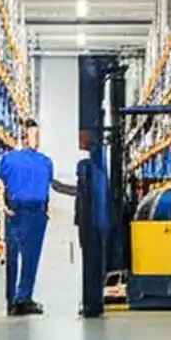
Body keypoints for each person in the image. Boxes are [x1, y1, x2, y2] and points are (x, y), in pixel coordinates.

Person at [0, 118, 53, 316]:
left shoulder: (45, 162)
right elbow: (0, 185)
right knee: (17, 256)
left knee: (28, 257)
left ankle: (21, 299)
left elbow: (47, 190)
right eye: (32, 134)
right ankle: (15, 299)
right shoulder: (9, 159)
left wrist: (46, 210)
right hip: (19, 210)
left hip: (33, 212)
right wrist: (3, 206)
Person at [74, 129, 109, 318]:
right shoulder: (97, 171)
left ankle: (92, 304)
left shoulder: (94, 171)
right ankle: (92, 302)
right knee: (93, 264)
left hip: (92, 225)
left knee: (92, 264)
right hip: (93, 225)